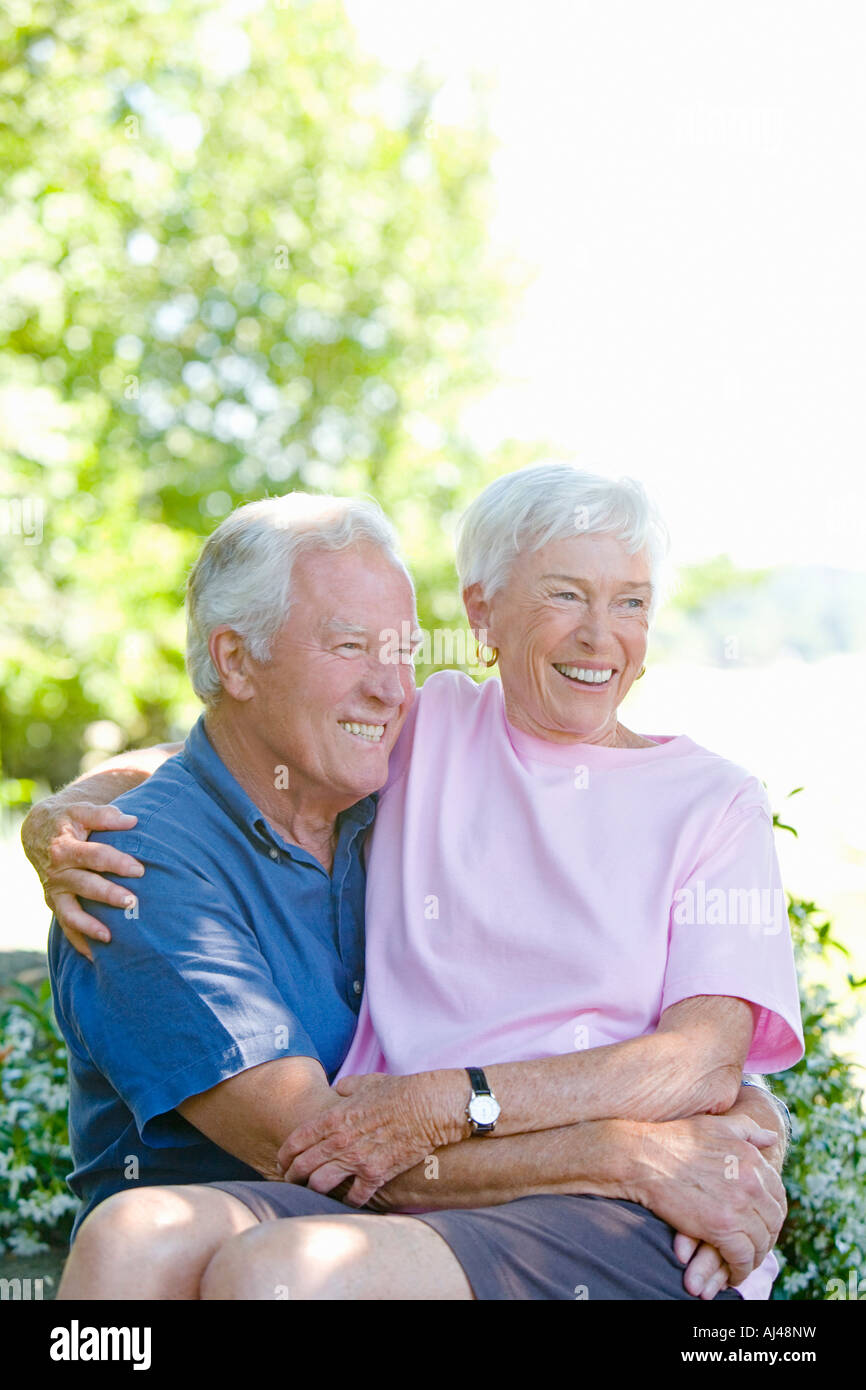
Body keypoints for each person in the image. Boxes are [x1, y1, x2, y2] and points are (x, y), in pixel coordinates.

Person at [24, 469, 800, 1301]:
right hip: (407, 1178)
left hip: (604, 1208)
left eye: (632, 603)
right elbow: (232, 746)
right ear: (481, 613)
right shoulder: (430, 728)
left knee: (283, 1274)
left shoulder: (714, 802)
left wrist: (466, 1105)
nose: (599, 636)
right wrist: (72, 808)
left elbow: (704, 1061)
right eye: (566, 596)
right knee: (128, 1240)